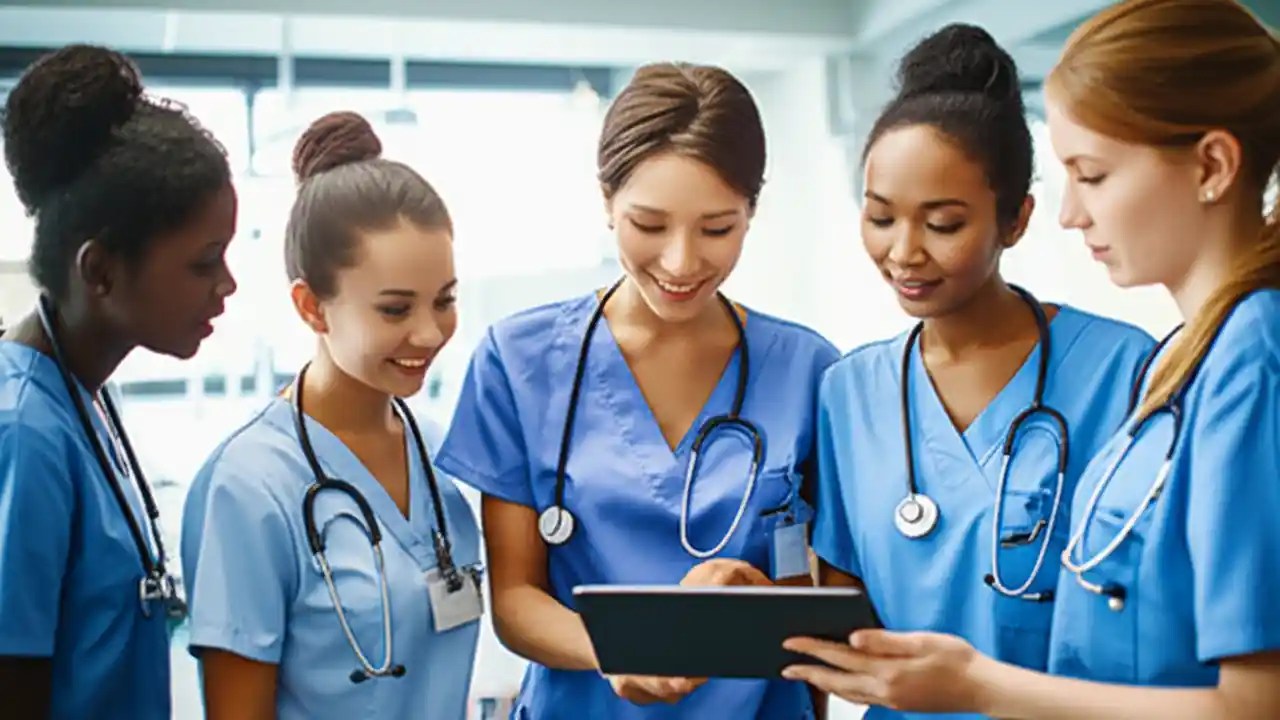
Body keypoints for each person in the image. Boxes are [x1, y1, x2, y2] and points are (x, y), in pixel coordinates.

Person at [783, 1, 1280, 717]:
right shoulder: (1189, 359)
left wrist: (979, 686)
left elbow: (1255, 702)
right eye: (881, 214)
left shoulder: (1245, 358)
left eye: (1095, 175)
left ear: (1211, 166)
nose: (1071, 213)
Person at [435, 62, 839, 719]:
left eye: (717, 229)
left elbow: (821, 603)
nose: (681, 262)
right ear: (605, 202)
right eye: (648, 226)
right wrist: (614, 647)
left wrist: (765, 592)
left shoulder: (808, 370)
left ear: (752, 212)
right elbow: (513, 601)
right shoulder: (520, 362)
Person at [180, 112, 483, 719]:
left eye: (444, 300)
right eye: (395, 310)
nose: (430, 332)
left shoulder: (435, 456)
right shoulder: (251, 485)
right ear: (311, 307)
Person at [0, 45, 238, 719]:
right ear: (100, 270)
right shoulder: (24, 429)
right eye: (204, 263)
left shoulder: (83, 396)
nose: (227, 287)